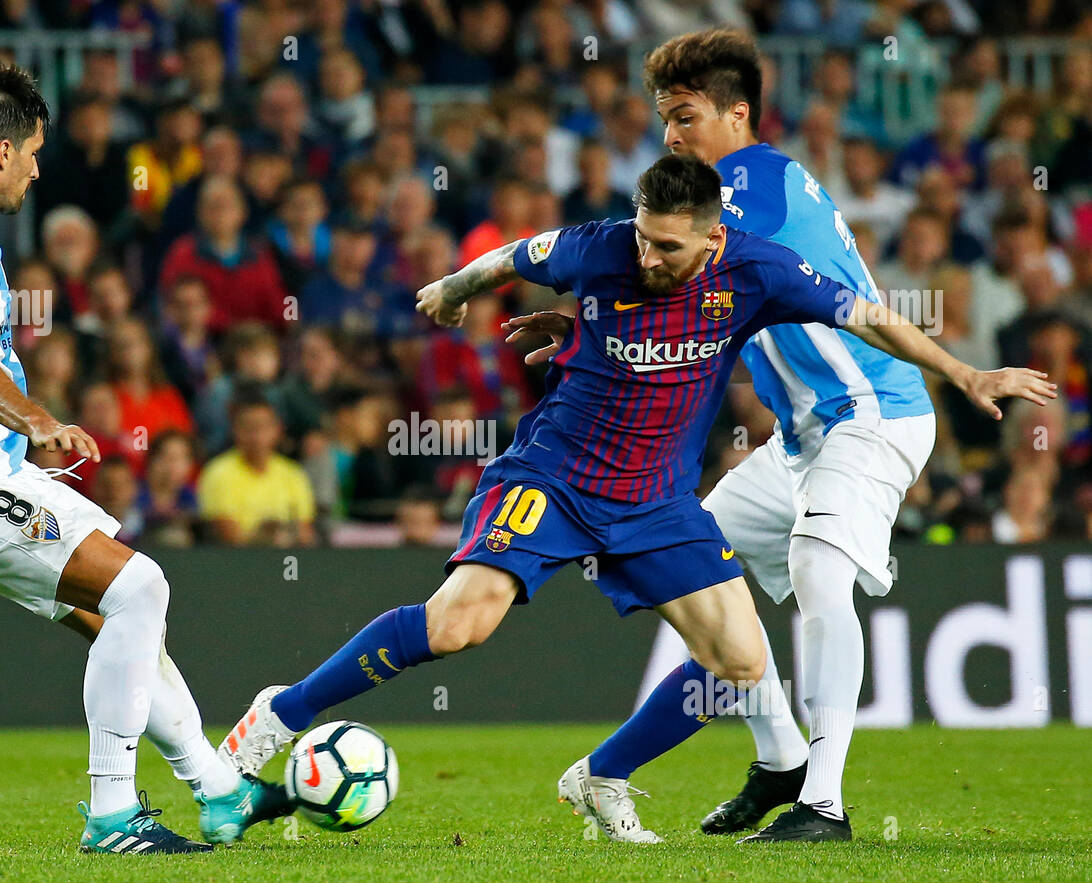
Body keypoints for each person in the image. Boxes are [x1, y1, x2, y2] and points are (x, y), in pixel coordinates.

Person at [216, 154, 1053, 842]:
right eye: (646, 240)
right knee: (456, 625)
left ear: (715, 237)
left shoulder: (757, 271)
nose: (651, 258)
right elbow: (513, 257)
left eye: (669, 248)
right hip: (555, 477)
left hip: (657, 503)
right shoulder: (600, 246)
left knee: (740, 663)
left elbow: (867, 315)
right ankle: (278, 714)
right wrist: (456, 288)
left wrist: (964, 372)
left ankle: (600, 776)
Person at [522, 28, 1055, 842]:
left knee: (816, 569)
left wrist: (966, 374)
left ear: (738, 115)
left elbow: (663, 260)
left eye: (686, 116)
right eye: (665, 119)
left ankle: (825, 803)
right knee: (700, 568)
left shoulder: (757, 185)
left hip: (872, 416)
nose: (671, 136)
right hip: (801, 439)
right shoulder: (723, 206)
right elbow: (683, 300)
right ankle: (779, 759)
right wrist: (590, 323)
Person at [0, 59, 286, 856]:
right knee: (143, 586)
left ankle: (217, 791)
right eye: (33, 150)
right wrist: (36, 418)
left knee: (124, 616)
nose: (38, 166)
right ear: (1, 152)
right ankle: (111, 816)